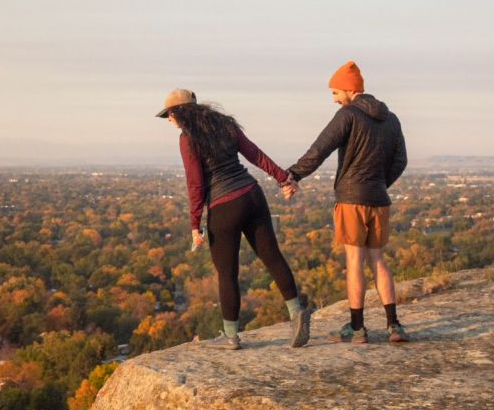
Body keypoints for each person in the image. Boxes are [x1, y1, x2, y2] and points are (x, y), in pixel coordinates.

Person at [157, 88, 314, 349]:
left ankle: (231, 336)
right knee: (272, 256)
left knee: (227, 273)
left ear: (180, 112)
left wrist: (194, 224)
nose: (169, 120)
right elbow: (255, 153)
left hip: (224, 206)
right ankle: (297, 313)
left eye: (170, 115)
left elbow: (195, 184)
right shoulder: (225, 124)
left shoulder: (187, 139)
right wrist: (282, 177)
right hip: (252, 195)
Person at [283, 61, 409, 343]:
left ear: (350, 89)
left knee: (354, 261)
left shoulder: (348, 115)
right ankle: (393, 326)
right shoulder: (391, 119)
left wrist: (292, 175)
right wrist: (378, 184)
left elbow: (320, 149)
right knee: (378, 261)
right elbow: (400, 161)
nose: (334, 99)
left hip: (351, 199)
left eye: (335, 92)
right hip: (379, 199)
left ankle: (358, 328)